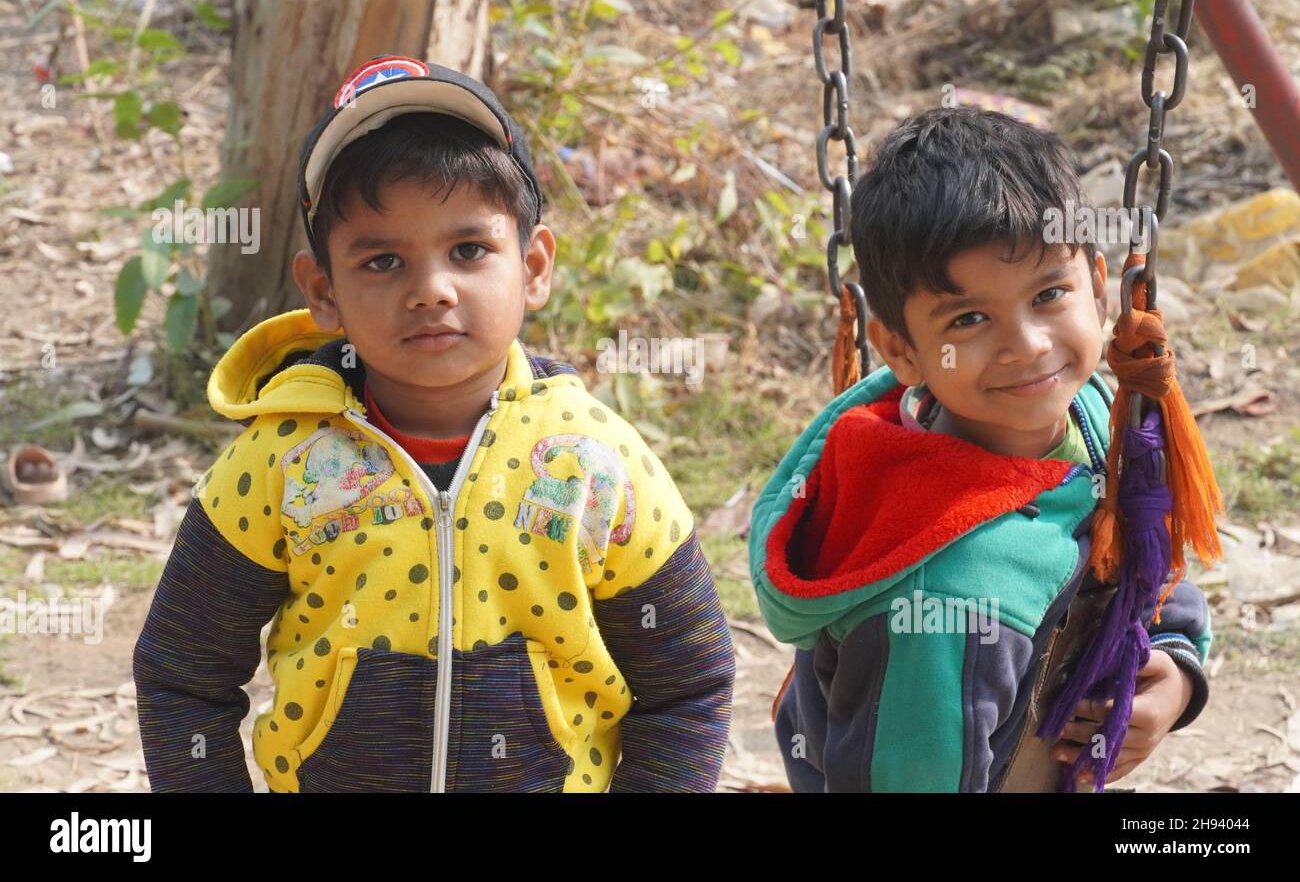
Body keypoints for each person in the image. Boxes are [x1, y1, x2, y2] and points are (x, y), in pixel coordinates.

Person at [134, 55, 735, 792]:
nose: (432, 291)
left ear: (535, 266)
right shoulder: (278, 463)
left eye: (469, 250)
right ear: (323, 291)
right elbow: (181, 676)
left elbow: (688, 684)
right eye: (383, 261)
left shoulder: (594, 463)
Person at [748, 107, 1211, 792]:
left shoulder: (1087, 418)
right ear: (901, 349)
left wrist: (1172, 674)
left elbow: (1144, 568)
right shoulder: (944, 603)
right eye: (969, 319)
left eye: (1050, 293)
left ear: (1097, 283)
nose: (1027, 344)